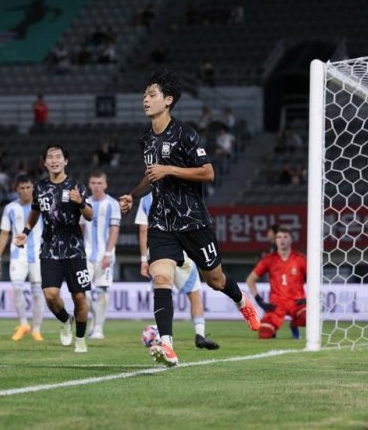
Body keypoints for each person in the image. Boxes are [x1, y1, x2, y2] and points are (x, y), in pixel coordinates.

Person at [119, 72, 259, 367]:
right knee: (161, 278)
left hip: (193, 222)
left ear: (168, 101)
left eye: (152, 94)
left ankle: (242, 302)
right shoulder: (145, 140)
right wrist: (133, 195)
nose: (146, 99)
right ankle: (167, 346)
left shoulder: (185, 133)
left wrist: (169, 169)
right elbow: (151, 175)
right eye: (144, 95)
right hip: (161, 223)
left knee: (215, 280)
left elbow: (208, 172)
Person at [14, 144, 93, 353]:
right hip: (49, 250)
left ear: (65, 161)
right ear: (45, 162)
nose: (55, 160)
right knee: (49, 295)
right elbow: (35, 212)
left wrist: (81, 202)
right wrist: (25, 232)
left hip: (75, 250)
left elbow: (90, 215)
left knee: (79, 297)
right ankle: (66, 320)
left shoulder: (77, 186)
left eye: (59, 157)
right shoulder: (39, 188)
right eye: (51, 157)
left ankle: (80, 339)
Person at [135, 192, 219, 350]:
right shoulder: (182, 193)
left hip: (159, 254)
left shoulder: (146, 199)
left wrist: (143, 259)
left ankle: (163, 335)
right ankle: (199, 334)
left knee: (162, 294)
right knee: (194, 295)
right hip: (182, 252)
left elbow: (143, 231)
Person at [0, 174, 45, 342]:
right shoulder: (10, 208)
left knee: (38, 293)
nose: (25, 191)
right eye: (22, 188)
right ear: (16, 190)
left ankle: (36, 329)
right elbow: (4, 233)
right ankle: (24, 324)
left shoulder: (42, 206)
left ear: (33, 188)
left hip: (39, 255)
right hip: (18, 255)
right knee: (17, 288)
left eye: (28, 187)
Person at [79, 170, 121, 340]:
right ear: (89, 185)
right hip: (86, 255)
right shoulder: (84, 203)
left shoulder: (112, 204)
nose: (96, 186)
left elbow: (114, 229)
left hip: (105, 255)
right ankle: (95, 321)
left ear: (105, 184)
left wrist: (108, 253)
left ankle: (98, 329)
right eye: (93, 183)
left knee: (102, 291)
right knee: (83, 293)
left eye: (99, 183)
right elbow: (80, 228)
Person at [245, 226, 307, 339]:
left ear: (291, 240)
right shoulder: (269, 260)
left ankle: (294, 325)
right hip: (277, 304)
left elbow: (313, 279)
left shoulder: (300, 259)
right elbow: (250, 280)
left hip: (297, 302)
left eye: (285, 237)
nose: (282, 240)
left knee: (308, 316)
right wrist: (260, 301)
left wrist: (307, 299)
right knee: (264, 333)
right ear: (275, 240)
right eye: (279, 237)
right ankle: (272, 330)